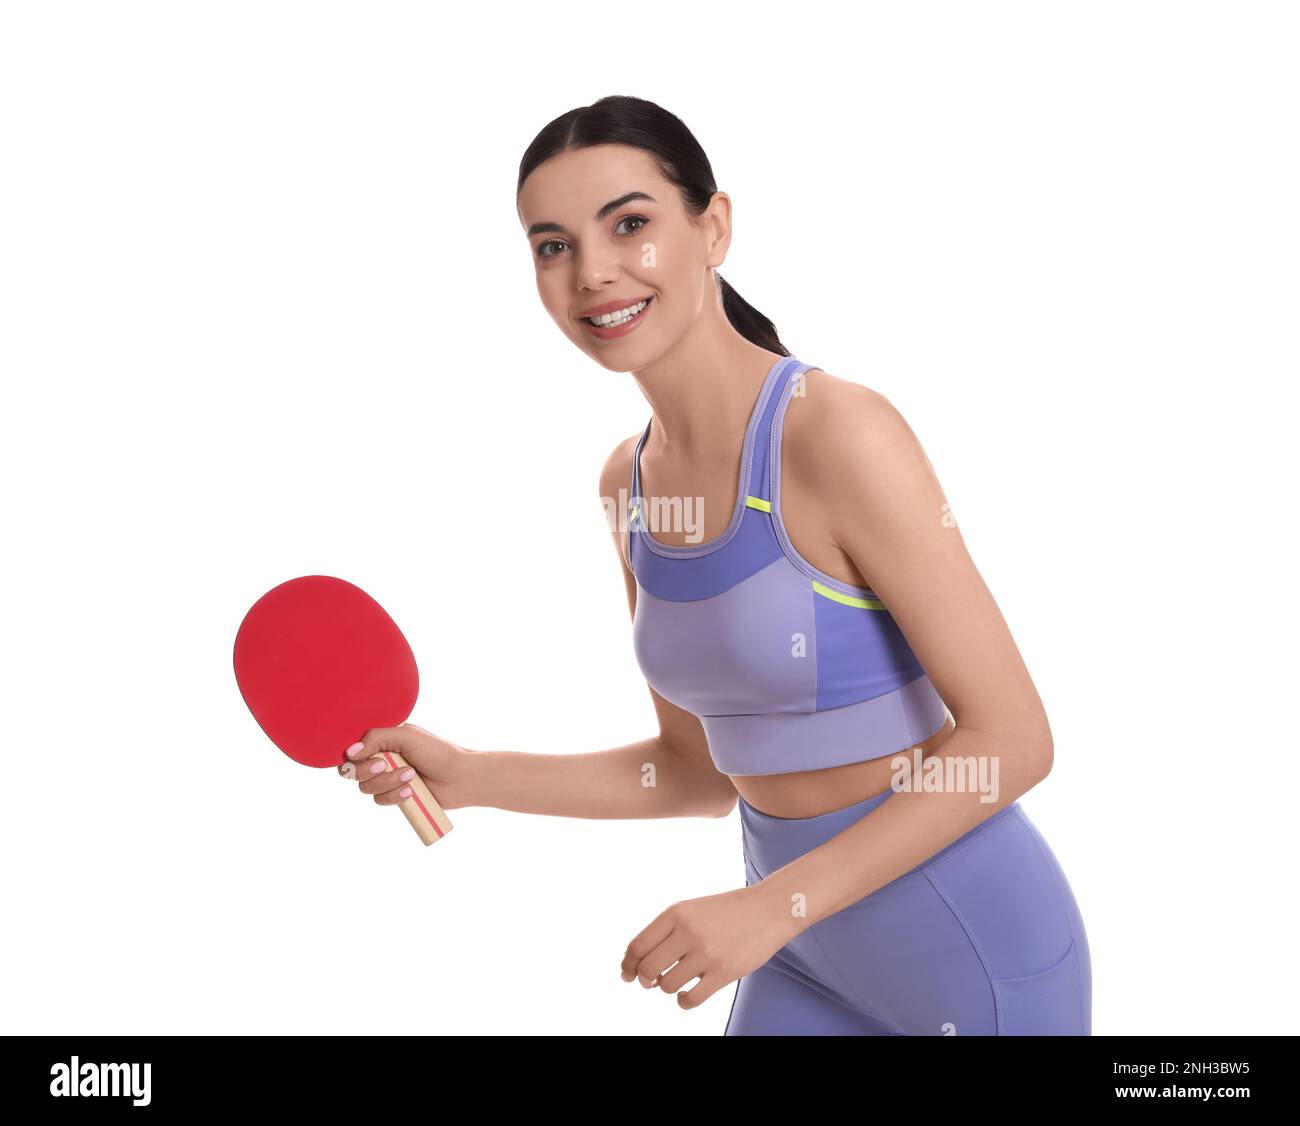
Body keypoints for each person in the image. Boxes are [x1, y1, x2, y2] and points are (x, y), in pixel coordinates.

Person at [342, 95, 1091, 1036]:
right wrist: (468, 773)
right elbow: (692, 775)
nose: (593, 272)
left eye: (631, 224)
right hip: (804, 957)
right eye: (553, 245)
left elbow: (1013, 740)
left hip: (967, 945)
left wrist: (772, 908)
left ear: (714, 227)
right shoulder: (632, 485)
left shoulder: (837, 434)